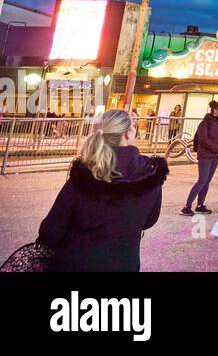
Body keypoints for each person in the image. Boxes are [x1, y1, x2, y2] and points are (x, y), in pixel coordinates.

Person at [37, 109, 169, 272]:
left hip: (75, 264)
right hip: (124, 264)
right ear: (127, 134)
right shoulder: (150, 174)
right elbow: (150, 220)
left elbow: (50, 232)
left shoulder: (84, 174)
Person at [182, 100, 218, 216]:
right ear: (215, 111)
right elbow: (203, 139)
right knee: (202, 180)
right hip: (206, 156)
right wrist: (217, 149)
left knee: (207, 181)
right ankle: (187, 206)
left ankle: (200, 205)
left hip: (215, 156)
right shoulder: (205, 123)